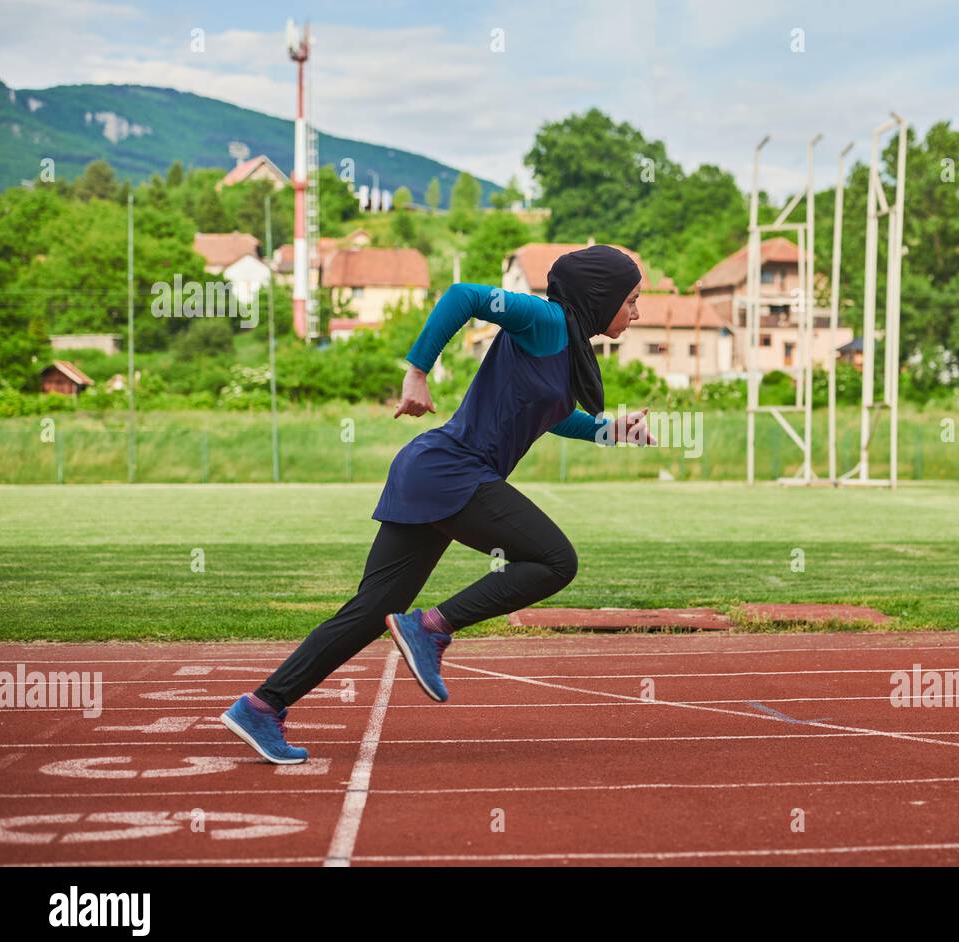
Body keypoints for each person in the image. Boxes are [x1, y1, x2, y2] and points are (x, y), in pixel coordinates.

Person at [220, 245, 653, 763]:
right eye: (631, 300)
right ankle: (432, 628)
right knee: (555, 560)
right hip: (453, 471)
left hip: (434, 475)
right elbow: (464, 295)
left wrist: (611, 431)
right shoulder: (545, 318)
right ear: (601, 296)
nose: (636, 312)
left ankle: (262, 706)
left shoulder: (567, 350)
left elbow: (549, 415)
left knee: (371, 611)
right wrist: (417, 371)